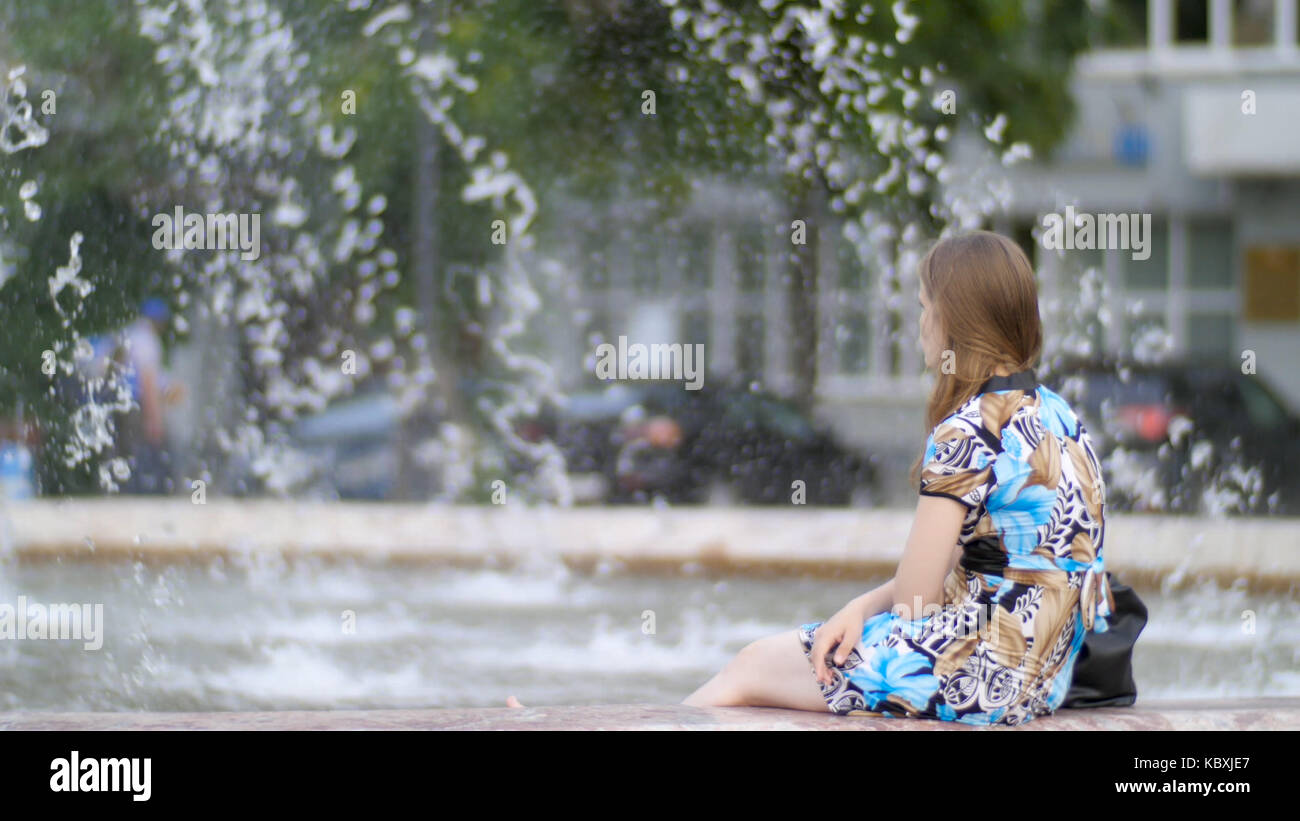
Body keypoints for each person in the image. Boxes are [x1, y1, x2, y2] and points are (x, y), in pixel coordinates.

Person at [664, 230, 1115, 726]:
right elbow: (985, 558)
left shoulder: (970, 431)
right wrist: (861, 606)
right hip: (1041, 678)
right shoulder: (1058, 416)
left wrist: (869, 609)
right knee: (783, 661)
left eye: (925, 308)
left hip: (974, 672)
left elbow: (915, 600)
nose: (920, 326)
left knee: (749, 668)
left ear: (955, 320)